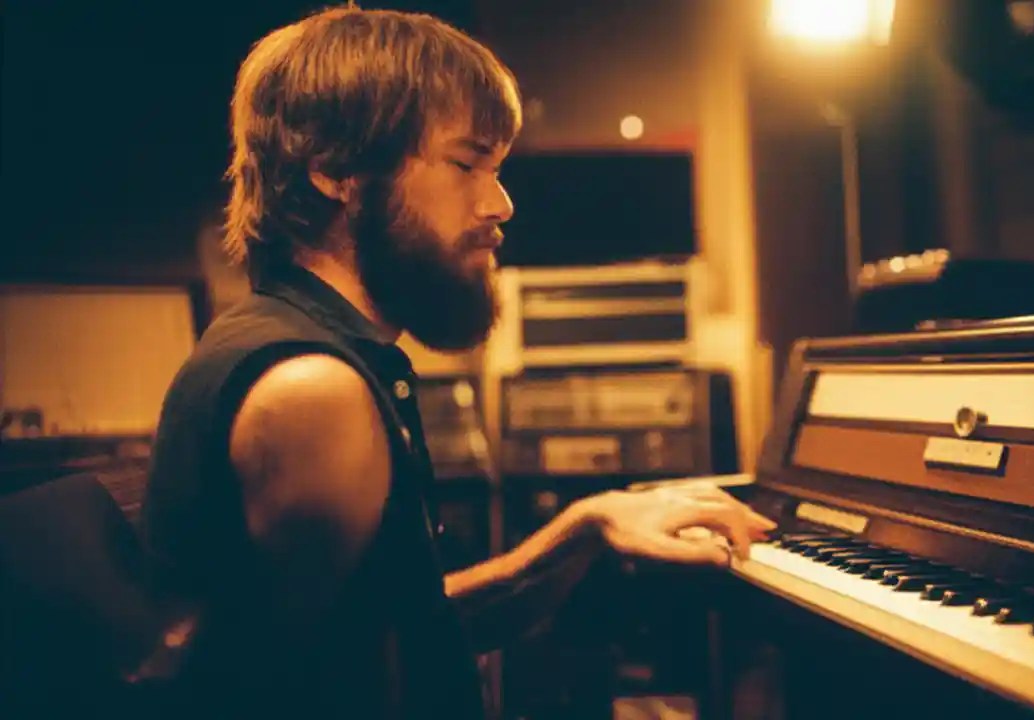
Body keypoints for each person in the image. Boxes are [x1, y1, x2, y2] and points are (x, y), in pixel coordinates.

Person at [137, 4, 774, 718]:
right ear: (336, 170)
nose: (500, 204)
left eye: (496, 170)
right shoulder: (312, 390)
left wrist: (584, 527)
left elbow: (399, 635)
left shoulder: (305, 348)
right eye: (467, 164)